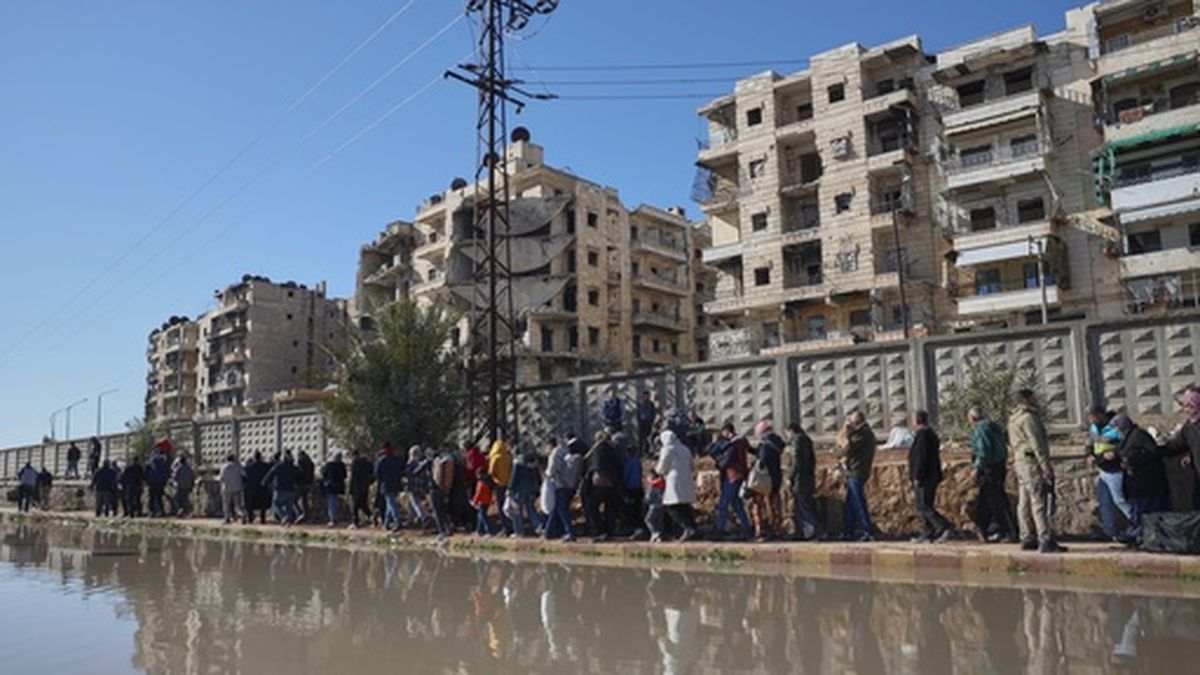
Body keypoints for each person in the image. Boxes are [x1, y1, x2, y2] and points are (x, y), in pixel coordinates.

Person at [1009, 389, 1066, 554]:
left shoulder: (1013, 418)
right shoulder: (1029, 418)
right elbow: (1037, 444)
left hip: (1020, 462)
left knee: (1024, 501)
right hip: (1031, 462)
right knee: (1038, 500)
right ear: (1027, 399)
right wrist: (1046, 467)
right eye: (1034, 397)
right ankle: (1045, 538)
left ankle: (1026, 537)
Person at [1112, 414, 1170, 542]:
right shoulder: (1127, 437)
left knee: (1147, 510)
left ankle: (1139, 535)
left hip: (1148, 481)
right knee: (1138, 510)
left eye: (1117, 427)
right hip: (1137, 482)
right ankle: (1136, 534)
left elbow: (1152, 453)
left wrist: (1131, 459)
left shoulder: (1139, 435)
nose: (1116, 430)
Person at [968, 407, 1018, 543]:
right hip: (999, 466)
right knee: (985, 500)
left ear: (972, 418)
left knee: (997, 501)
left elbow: (983, 452)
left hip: (989, 469)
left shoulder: (981, 430)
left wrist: (977, 468)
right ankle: (982, 528)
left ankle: (1009, 532)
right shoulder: (994, 427)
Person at [1086, 407, 1133, 542]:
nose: (1091, 422)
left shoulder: (1115, 426)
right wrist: (1089, 454)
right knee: (1104, 501)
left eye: (1093, 418)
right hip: (1102, 469)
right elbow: (1089, 442)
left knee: (1121, 500)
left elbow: (1127, 442)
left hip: (1115, 468)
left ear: (1101, 416)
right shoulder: (1094, 428)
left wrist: (1116, 453)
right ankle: (1109, 530)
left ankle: (1139, 525)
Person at [908, 411, 951, 542]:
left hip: (925, 477)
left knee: (923, 505)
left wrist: (917, 476)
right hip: (932, 475)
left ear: (916, 421)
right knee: (926, 504)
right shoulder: (930, 433)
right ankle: (928, 532)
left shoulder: (922, 435)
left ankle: (943, 526)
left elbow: (921, 457)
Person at [837, 411, 876, 542]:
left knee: (859, 502)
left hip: (857, 471)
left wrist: (845, 431)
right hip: (853, 471)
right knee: (850, 504)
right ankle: (847, 530)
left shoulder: (863, 433)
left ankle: (867, 531)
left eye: (852, 421)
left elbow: (845, 449)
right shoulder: (860, 433)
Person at [710, 423, 751, 540]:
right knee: (737, 504)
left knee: (723, 504)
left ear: (727, 431)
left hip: (732, 475)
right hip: (740, 474)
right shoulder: (742, 442)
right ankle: (746, 527)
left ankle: (719, 529)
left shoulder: (733, 444)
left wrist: (718, 463)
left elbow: (726, 460)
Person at [655, 429, 696, 541]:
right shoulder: (685, 449)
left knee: (671, 506)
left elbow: (663, 467)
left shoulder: (668, 449)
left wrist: (657, 471)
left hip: (674, 479)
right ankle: (693, 529)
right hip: (687, 479)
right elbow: (692, 466)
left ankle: (687, 528)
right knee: (684, 505)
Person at [1162, 386, 1200, 508]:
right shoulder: (1190, 426)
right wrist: (1153, 449)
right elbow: (1178, 445)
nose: (1185, 410)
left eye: (1189, 406)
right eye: (1184, 406)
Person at [786, 422, 823, 541]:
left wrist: (790, 477)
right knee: (802, 506)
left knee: (803, 506)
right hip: (808, 478)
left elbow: (796, 463)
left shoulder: (797, 441)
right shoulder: (807, 440)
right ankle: (802, 532)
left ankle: (813, 532)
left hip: (800, 480)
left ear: (791, 430)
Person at [749, 420, 785, 541]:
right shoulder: (777, 443)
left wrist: (755, 463)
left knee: (757, 505)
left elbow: (762, 460)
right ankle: (777, 529)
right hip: (776, 478)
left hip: (764, 479)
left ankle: (760, 531)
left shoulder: (765, 444)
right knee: (775, 505)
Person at [585, 430, 623, 542]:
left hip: (600, 483)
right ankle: (609, 531)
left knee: (591, 506)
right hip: (613, 483)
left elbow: (596, 466)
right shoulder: (613, 449)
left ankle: (599, 531)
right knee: (610, 509)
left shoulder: (598, 449)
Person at [545, 436, 583, 542]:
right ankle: (549, 532)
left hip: (562, 485)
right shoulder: (576, 457)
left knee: (561, 509)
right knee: (558, 508)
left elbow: (553, 470)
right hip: (571, 486)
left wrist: (549, 476)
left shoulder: (558, 454)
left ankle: (569, 532)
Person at [509, 444, 543, 537]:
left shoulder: (517, 463)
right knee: (531, 509)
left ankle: (519, 531)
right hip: (531, 489)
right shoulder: (532, 463)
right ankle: (539, 526)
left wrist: (510, 489)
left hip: (519, 490)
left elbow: (514, 477)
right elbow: (538, 477)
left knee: (517, 511)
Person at [263, 451, 300, 526]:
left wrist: (264, 482)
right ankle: (289, 521)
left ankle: (283, 516)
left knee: (276, 504)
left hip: (280, 488)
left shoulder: (279, 466)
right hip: (291, 489)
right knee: (289, 505)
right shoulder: (293, 467)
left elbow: (270, 474)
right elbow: (299, 475)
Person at [375, 442, 406, 531]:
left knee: (392, 504)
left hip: (386, 484)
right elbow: (402, 470)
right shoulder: (397, 459)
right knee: (390, 504)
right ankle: (386, 524)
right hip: (396, 484)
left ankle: (398, 522)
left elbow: (377, 473)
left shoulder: (381, 460)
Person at [488, 434, 515, 536]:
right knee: (509, 506)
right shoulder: (509, 457)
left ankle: (505, 528)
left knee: (500, 507)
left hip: (498, 484)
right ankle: (512, 526)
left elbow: (491, 472)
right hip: (508, 484)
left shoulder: (495, 458)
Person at [430, 447, 456, 537]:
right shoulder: (448, 462)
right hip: (445, 489)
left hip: (435, 489)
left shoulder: (435, 463)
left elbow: (434, 478)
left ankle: (442, 531)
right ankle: (449, 526)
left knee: (437, 511)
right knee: (444, 510)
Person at [404, 445, 430, 528]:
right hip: (420, 486)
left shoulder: (410, 463)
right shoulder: (421, 463)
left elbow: (409, 475)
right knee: (411, 503)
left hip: (413, 485)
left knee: (415, 502)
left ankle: (423, 516)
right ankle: (411, 519)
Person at [348, 450, 374, 529]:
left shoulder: (355, 463)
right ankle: (371, 516)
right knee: (363, 503)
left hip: (356, 486)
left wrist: (350, 488)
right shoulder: (367, 463)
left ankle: (355, 522)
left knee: (354, 505)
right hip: (365, 486)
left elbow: (353, 477)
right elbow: (372, 473)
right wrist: (369, 482)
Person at [218, 453, 246, 525]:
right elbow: (244, 475)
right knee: (238, 505)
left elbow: (221, 478)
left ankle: (227, 518)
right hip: (237, 487)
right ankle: (242, 514)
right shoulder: (238, 466)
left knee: (226, 504)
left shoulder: (223, 467)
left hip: (226, 488)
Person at [244, 452, 271, 524]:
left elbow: (244, 476)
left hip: (251, 488)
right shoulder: (265, 466)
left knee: (250, 504)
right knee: (263, 504)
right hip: (262, 487)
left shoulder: (249, 466)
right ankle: (263, 519)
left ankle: (250, 518)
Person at [322, 452, 347, 527]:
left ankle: (333, 519)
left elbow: (324, 474)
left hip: (330, 486)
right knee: (336, 502)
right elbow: (345, 475)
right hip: (339, 486)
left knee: (331, 502)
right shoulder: (342, 465)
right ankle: (336, 517)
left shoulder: (329, 465)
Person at [145, 450, 170, 517]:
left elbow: (146, 474)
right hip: (161, 483)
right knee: (159, 498)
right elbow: (167, 473)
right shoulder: (163, 463)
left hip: (152, 483)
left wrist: (147, 481)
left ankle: (152, 512)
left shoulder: (149, 463)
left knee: (152, 498)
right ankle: (161, 511)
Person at [645, 471, 667, 542]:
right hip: (662, 505)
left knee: (648, 520)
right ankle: (659, 535)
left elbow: (648, 497)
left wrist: (645, 501)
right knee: (658, 521)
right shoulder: (662, 485)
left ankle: (655, 533)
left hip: (654, 506)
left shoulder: (652, 486)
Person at [472, 467, 495, 536]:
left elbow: (479, 493)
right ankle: (478, 531)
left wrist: (474, 501)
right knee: (480, 516)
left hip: (481, 502)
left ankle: (489, 531)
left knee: (483, 517)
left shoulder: (481, 482)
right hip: (487, 501)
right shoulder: (489, 481)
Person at [295, 450, 315, 524]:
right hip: (308, 484)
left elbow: (299, 473)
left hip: (301, 484)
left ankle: (300, 514)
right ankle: (306, 515)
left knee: (294, 500)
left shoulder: (301, 462)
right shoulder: (311, 463)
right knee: (305, 501)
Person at [636, 391, 658, 456]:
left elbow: (653, 413)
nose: (647, 397)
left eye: (648, 396)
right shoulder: (640, 404)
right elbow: (638, 413)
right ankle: (640, 452)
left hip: (648, 422)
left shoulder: (651, 404)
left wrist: (652, 421)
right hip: (641, 422)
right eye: (645, 395)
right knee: (640, 438)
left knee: (648, 438)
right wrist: (638, 421)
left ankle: (647, 451)